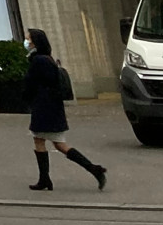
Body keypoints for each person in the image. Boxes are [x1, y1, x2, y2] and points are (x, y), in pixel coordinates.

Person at [22, 27, 105, 191]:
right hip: (51, 107)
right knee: (55, 143)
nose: (26, 42)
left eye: (28, 40)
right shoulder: (47, 59)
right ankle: (90, 169)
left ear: (35, 42)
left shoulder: (39, 60)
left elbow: (35, 83)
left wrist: (28, 95)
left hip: (44, 108)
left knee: (49, 142)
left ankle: (47, 179)